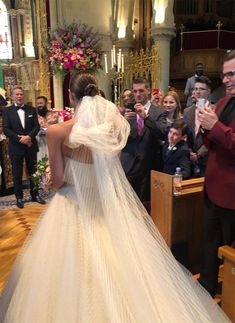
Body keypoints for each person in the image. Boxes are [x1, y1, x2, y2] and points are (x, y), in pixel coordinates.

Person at [0, 73, 230, 323]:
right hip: (104, 205)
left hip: (72, 204)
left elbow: (58, 182)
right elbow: (109, 170)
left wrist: (51, 176)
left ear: (70, 96)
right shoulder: (112, 128)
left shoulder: (57, 131)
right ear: (96, 93)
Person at [198, 50, 235, 297]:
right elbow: (212, 144)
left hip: (233, 195)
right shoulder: (221, 103)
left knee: (230, 256)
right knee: (208, 245)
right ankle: (205, 289)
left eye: (232, 74)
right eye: (224, 75)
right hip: (212, 189)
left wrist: (216, 127)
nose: (226, 80)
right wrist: (204, 128)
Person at [120, 77, 166, 203]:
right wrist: (122, 121)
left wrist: (146, 118)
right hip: (128, 165)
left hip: (148, 167)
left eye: (141, 91)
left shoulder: (159, 112)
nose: (138, 94)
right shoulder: (127, 111)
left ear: (148, 90)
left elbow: (162, 134)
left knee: (145, 208)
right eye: (135, 91)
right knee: (127, 206)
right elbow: (118, 137)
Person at [2, 86, 45, 208]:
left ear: (23, 95)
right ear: (12, 96)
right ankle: (19, 197)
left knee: (34, 172)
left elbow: (36, 127)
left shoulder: (31, 109)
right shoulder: (7, 111)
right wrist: (20, 138)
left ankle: (35, 194)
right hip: (16, 146)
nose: (20, 96)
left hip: (30, 145)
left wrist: (28, 137)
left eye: (21, 94)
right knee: (17, 173)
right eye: (17, 94)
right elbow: (6, 129)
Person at [184, 76, 213, 177]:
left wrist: (199, 154)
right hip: (190, 160)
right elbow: (184, 134)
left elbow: (214, 137)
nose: (198, 92)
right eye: (196, 89)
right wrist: (190, 152)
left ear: (208, 91)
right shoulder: (187, 111)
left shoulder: (215, 110)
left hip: (208, 160)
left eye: (201, 89)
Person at [36, 96, 49, 160]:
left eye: (41, 103)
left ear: (46, 103)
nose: (39, 105)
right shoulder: (34, 116)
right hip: (40, 142)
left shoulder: (53, 114)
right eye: (38, 104)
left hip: (50, 141)